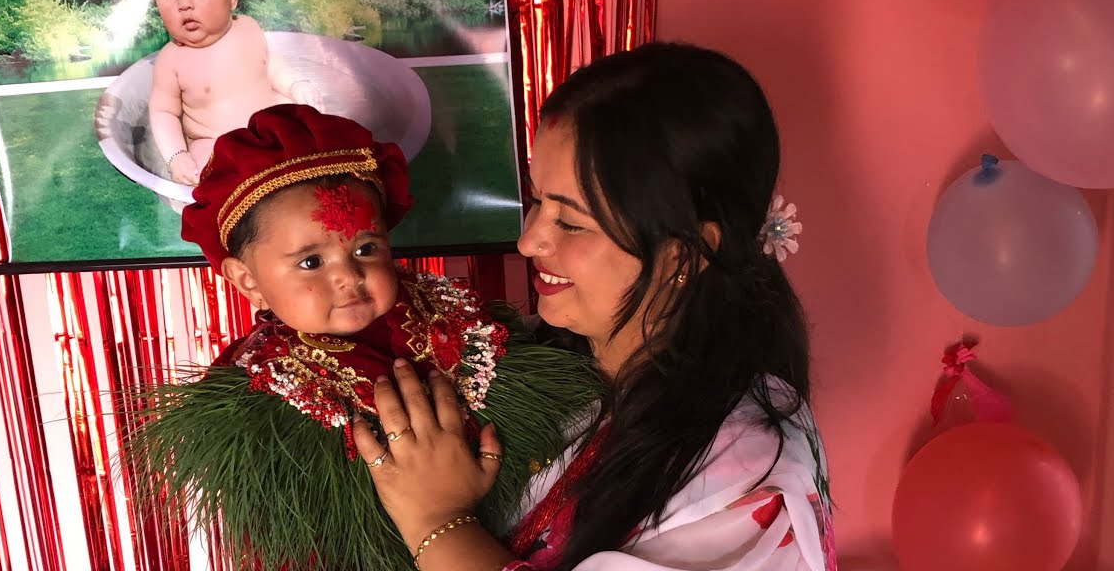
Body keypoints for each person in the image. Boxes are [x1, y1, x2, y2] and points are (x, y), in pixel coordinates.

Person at [351, 43, 835, 570]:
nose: (529, 242)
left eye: (571, 222)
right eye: (538, 201)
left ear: (685, 254)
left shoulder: (746, 474)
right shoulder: (531, 358)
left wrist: (437, 522)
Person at [124, 103, 601, 570]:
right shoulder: (263, 394)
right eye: (311, 262)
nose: (349, 276)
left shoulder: (452, 319)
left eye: (367, 248)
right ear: (247, 280)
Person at [146, 0, 319, 185]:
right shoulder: (172, 60)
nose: (184, 4)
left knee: (309, 131)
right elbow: (163, 112)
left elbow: (268, 64)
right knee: (204, 170)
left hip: (271, 130)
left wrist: (296, 85)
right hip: (214, 142)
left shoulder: (248, 28)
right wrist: (177, 156)